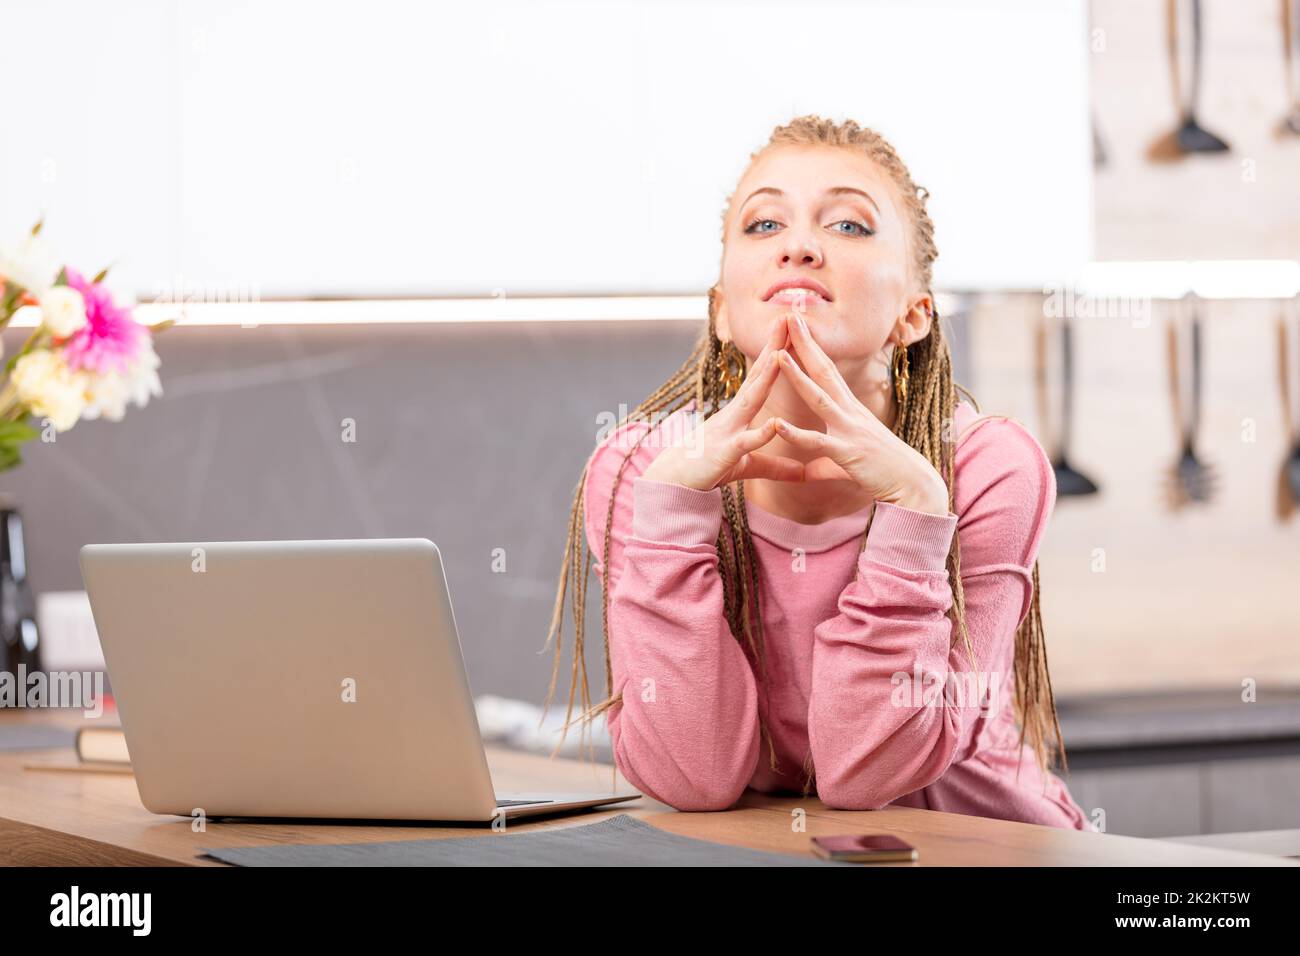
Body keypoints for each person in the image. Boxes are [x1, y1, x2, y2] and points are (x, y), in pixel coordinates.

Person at [543, 114, 1092, 830]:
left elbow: (870, 771)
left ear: (914, 315)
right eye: (764, 225)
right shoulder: (641, 472)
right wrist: (673, 515)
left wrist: (917, 509)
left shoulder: (987, 469)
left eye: (849, 226)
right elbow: (692, 775)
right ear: (718, 311)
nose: (798, 246)